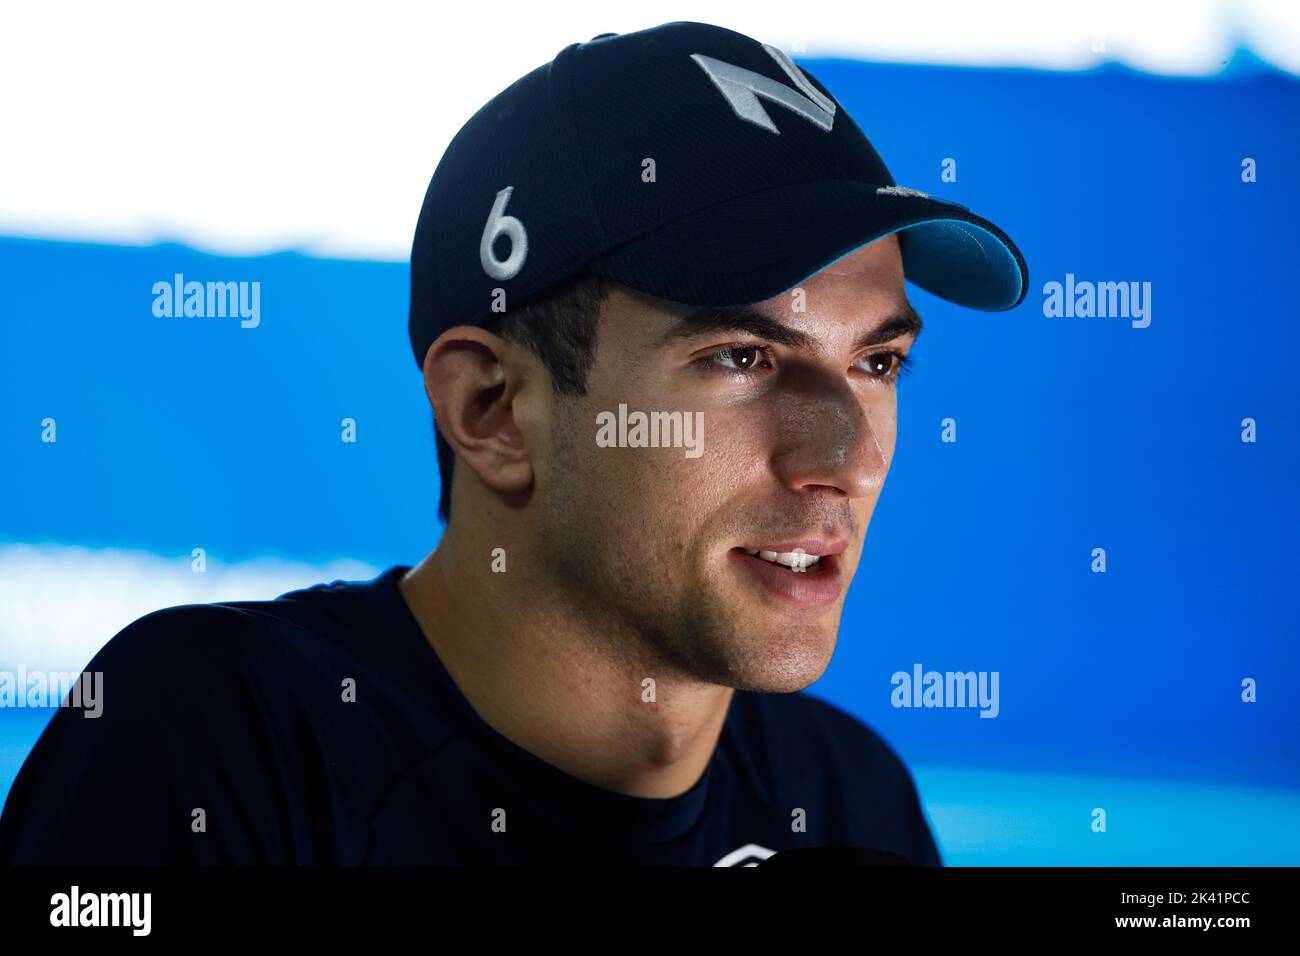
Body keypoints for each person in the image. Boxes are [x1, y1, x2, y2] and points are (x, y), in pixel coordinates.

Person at [0, 20, 1026, 866]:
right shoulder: (213, 742)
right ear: (491, 408)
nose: (843, 458)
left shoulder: (844, 803)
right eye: (742, 358)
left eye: (876, 364)